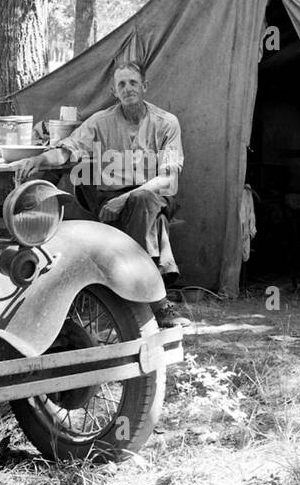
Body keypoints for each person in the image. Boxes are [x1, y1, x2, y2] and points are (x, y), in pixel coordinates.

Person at [14, 60, 188, 328]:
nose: (127, 88)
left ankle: (143, 300)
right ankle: (154, 302)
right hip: (109, 197)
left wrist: (126, 199)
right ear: (114, 91)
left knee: (144, 200)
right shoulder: (101, 122)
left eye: (133, 82)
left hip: (154, 194)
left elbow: (168, 177)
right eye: (121, 84)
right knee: (153, 221)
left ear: (144, 86)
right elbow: (68, 149)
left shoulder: (166, 123)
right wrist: (39, 161)